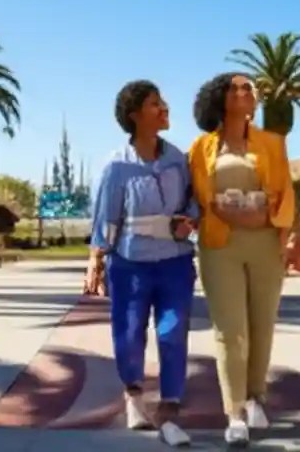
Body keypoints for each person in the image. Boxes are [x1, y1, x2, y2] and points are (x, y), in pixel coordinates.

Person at [84, 80, 198, 447]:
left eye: (162, 101)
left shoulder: (178, 158)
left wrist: (189, 220)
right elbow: (106, 218)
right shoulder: (117, 166)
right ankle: (133, 395)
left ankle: (170, 409)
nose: (164, 107)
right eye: (154, 103)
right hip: (130, 265)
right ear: (134, 115)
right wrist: (95, 261)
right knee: (130, 335)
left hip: (175, 263)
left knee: (172, 332)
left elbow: (194, 201)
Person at [185, 72, 295, 447]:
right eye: (236, 87)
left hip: (265, 242)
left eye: (249, 87)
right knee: (231, 331)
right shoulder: (200, 147)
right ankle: (234, 412)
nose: (245, 91)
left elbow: (285, 194)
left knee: (262, 324)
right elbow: (196, 197)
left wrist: (270, 224)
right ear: (220, 98)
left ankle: (255, 398)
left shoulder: (272, 143)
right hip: (220, 245)